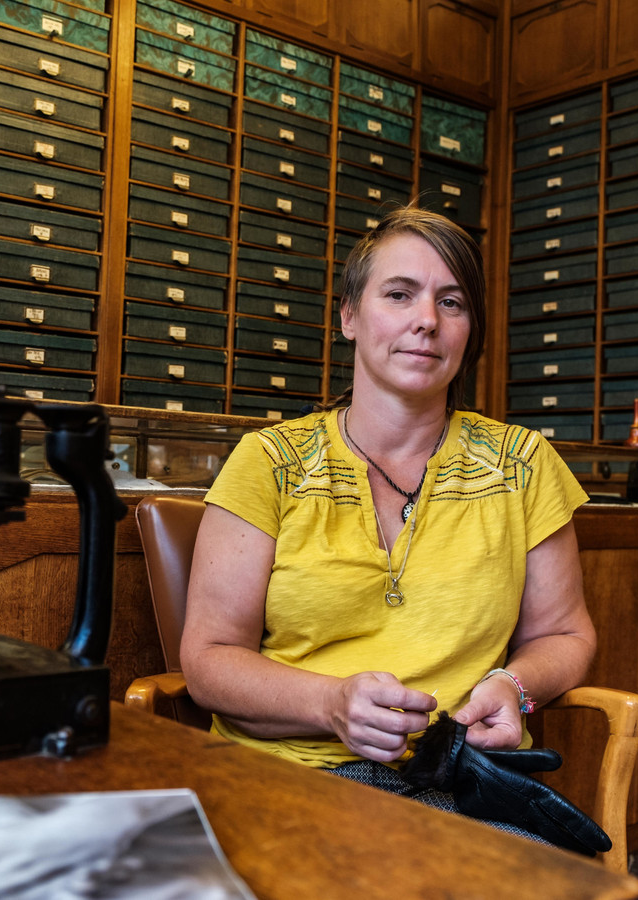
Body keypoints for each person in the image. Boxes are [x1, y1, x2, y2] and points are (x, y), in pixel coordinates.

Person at [178, 206, 597, 821]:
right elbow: (208, 661)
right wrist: (331, 703)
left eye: (452, 303)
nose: (426, 321)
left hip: (464, 785)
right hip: (292, 778)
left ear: (470, 329)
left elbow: (566, 635)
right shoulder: (271, 461)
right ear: (349, 315)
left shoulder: (522, 464)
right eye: (400, 294)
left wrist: (517, 687)